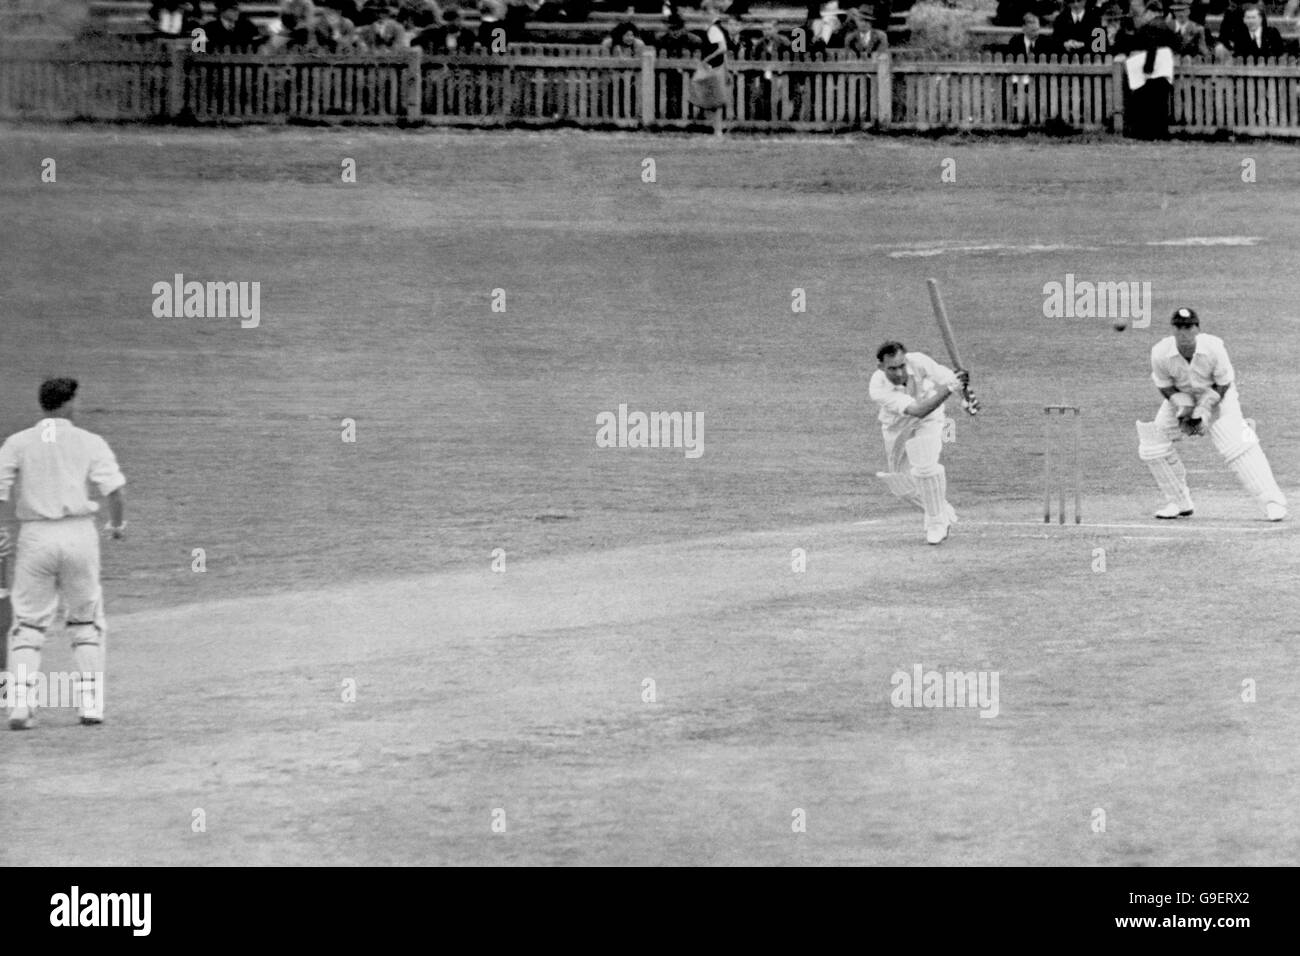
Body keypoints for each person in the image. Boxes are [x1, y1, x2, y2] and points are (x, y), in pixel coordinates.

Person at [0, 379, 127, 730]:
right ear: (70, 402)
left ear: (42, 405)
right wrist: (116, 527)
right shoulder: (89, 441)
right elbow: (115, 492)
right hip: (79, 535)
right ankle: (90, 707)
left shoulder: (18, 442)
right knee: (85, 622)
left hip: (36, 537)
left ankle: (20, 708)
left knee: (26, 625)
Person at [1138, 308, 1286, 522]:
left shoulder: (1214, 347)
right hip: (1182, 395)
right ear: (1173, 330)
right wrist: (1181, 404)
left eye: (1188, 327)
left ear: (1197, 328)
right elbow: (1164, 385)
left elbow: (1224, 382)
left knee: (1238, 444)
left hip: (1218, 396)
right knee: (1152, 441)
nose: (1184, 333)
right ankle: (1179, 502)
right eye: (1179, 327)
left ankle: (1272, 502)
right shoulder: (1160, 352)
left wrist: (1205, 408)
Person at [868, 342, 967, 545]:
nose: (899, 372)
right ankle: (939, 508)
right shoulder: (877, 388)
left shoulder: (919, 361)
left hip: (930, 418)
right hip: (898, 426)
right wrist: (950, 389)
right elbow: (917, 410)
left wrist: (965, 396)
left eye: (901, 365)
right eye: (892, 368)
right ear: (881, 367)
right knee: (902, 485)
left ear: (906, 360)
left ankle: (936, 523)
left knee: (925, 466)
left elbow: (949, 377)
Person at [201, 0, 265, 51]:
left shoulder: (247, 26)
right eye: (233, 9)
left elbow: (257, 42)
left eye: (238, 10)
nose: (237, 12)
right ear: (222, 11)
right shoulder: (210, 27)